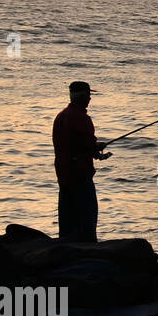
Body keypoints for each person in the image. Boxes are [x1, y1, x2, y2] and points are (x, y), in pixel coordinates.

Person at [52, 80, 111, 241]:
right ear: (84, 97)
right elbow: (86, 145)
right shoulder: (81, 118)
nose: (90, 99)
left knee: (68, 219)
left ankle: (66, 249)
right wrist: (96, 148)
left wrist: (94, 148)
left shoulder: (61, 116)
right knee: (87, 218)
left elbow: (73, 145)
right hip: (80, 174)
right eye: (89, 95)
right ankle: (87, 251)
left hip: (63, 174)